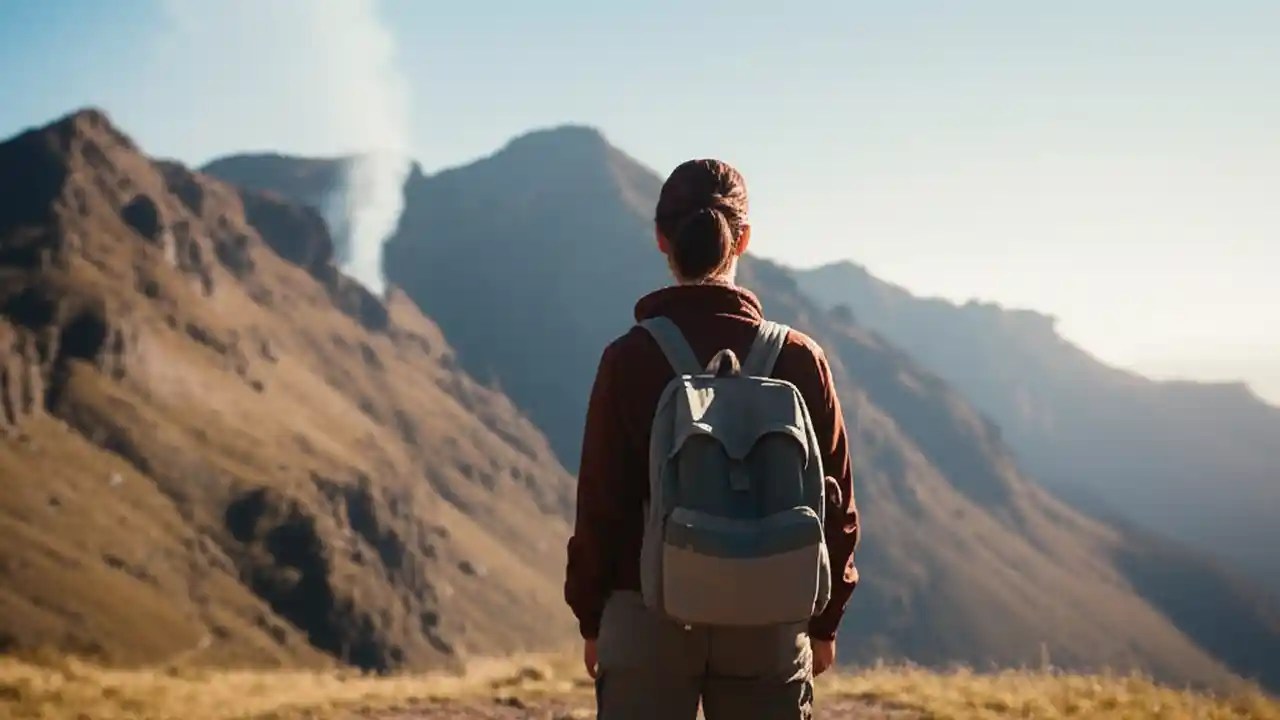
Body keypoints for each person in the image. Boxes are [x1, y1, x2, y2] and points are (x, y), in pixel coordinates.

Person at [564, 158, 860, 719]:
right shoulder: (799, 359)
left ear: (661, 240)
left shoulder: (628, 360)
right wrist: (824, 621)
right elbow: (836, 502)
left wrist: (592, 617)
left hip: (646, 610)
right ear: (743, 239)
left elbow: (600, 502)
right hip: (770, 614)